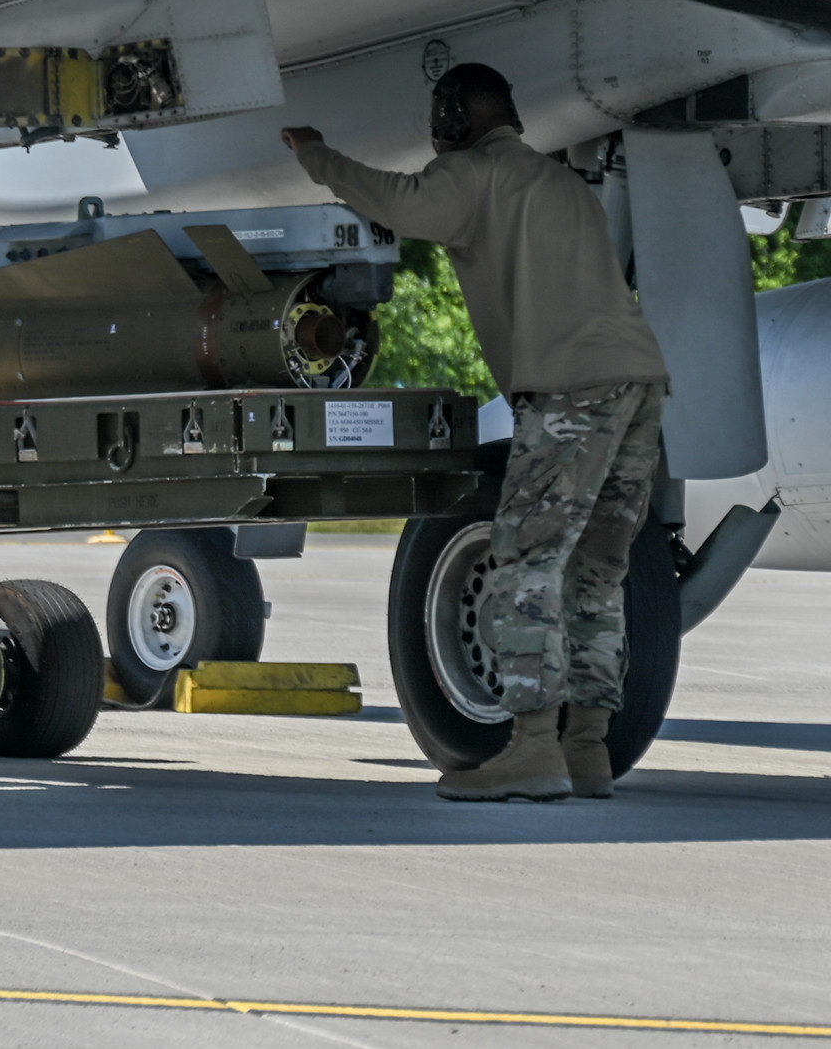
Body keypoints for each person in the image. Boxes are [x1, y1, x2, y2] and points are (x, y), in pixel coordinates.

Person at [282, 63, 670, 803]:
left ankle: (531, 749)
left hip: (570, 389)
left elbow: (397, 200)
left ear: (454, 119)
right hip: (639, 381)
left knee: (524, 560)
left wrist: (317, 156)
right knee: (597, 570)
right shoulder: (560, 183)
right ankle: (586, 747)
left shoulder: (474, 176)